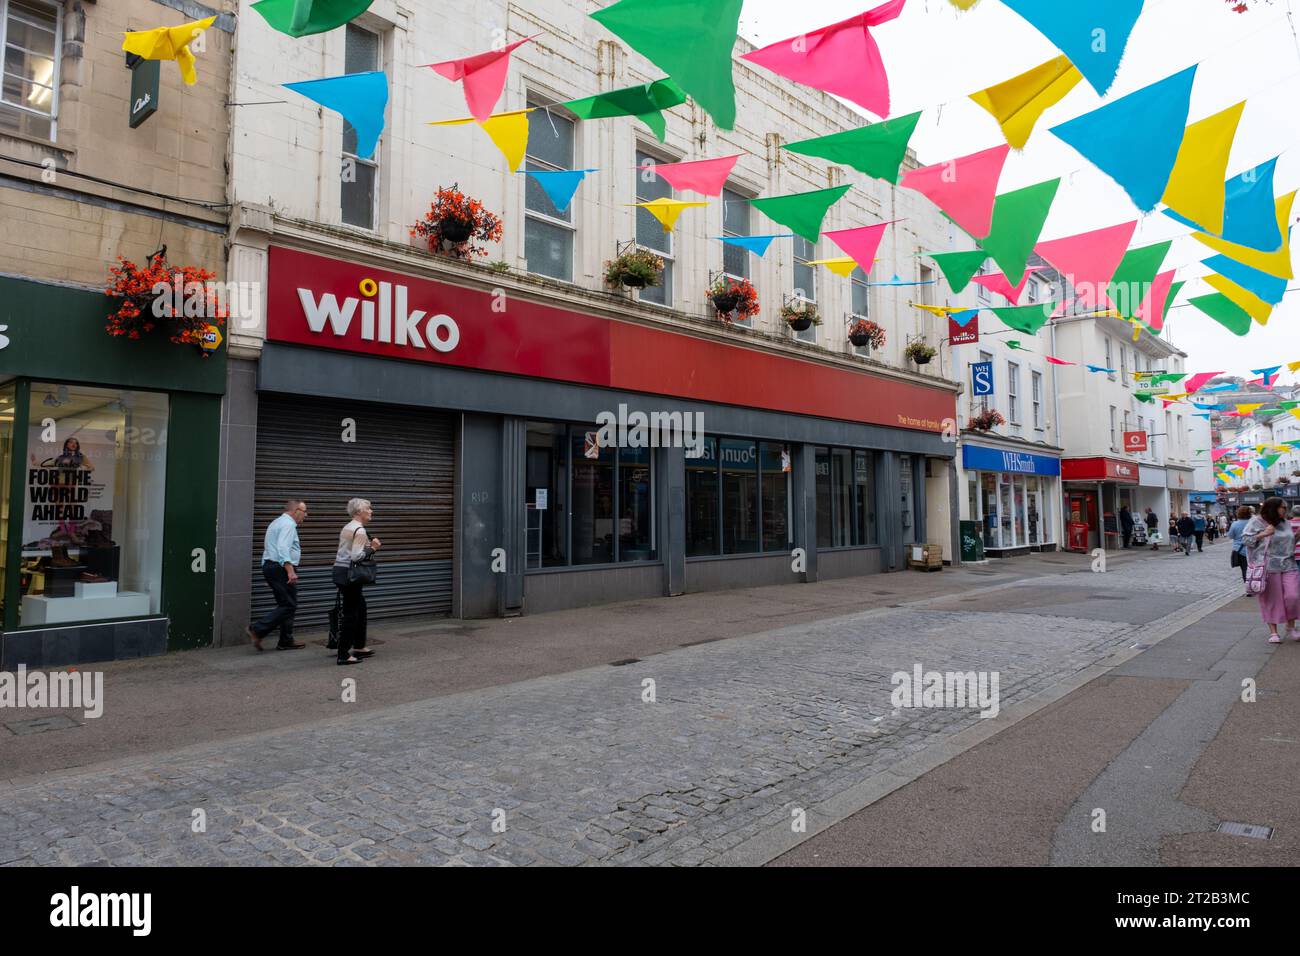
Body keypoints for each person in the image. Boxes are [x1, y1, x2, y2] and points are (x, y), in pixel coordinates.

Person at [248, 500, 308, 651]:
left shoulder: (276, 522)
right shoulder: (288, 525)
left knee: (287, 603)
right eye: (304, 512)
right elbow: (282, 548)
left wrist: (270, 573)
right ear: (296, 511)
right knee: (289, 605)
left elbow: (269, 548)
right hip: (280, 567)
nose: (306, 515)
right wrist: (289, 570)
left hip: (271, 566)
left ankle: (286, 640)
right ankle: (257, 629)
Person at [1241, 497, 1300, 644]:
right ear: (1273, 508)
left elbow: (1289, 542)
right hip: (1268, 566)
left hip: (1289, 564)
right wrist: (1263, 534)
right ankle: (1273, 632)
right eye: (1283, 508)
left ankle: (1290, 626)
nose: (1286, 511)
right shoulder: (1257, 521)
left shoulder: (1285, 522)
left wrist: (1298, 535)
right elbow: (1246, 540)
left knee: (1293, 596)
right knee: (1272, 599)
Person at [333, 498, 382, 666]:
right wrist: (372, 548)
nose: (371, 511)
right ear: (359, 512)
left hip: (340, 571)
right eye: (368, 509)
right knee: (351, 614)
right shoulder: (359, 531)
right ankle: (343, 654)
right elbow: (356, 556)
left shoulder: (348, 526)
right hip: (350, 575)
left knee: (360, 607)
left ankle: (359, 646)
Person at [1228, 505, 1252, 582]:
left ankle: (1248, 586)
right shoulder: (1253, 523)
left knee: (1244, 568)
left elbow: (1230, 536)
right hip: (1253, 548)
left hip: (1240, 549)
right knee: (1253, 568)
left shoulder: (1235, 524)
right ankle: (1255, 583)